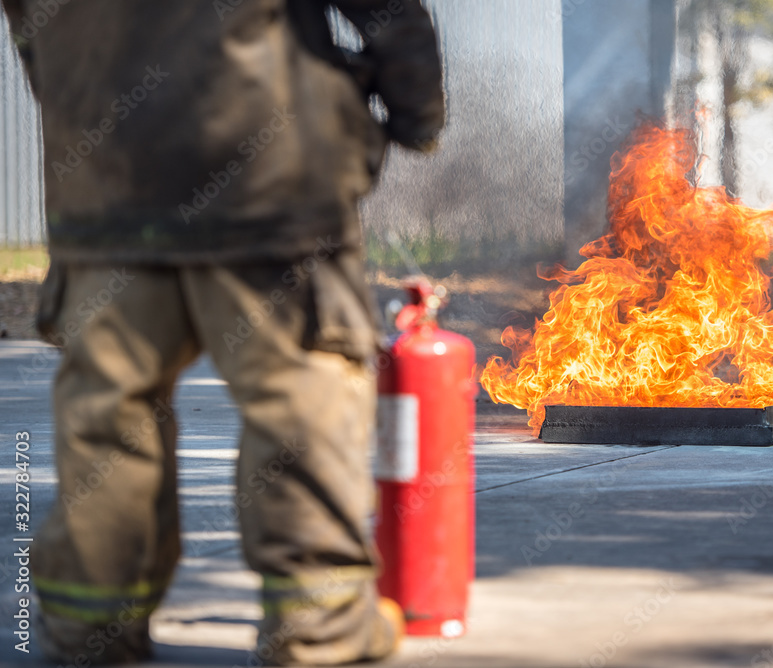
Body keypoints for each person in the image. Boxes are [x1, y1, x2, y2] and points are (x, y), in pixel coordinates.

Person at [0, 0, 444, 664]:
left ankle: (90, 630)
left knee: (108, 418)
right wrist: (414, 115)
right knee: (302, 404)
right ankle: (317, 629)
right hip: (266, 192)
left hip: (107, 198)